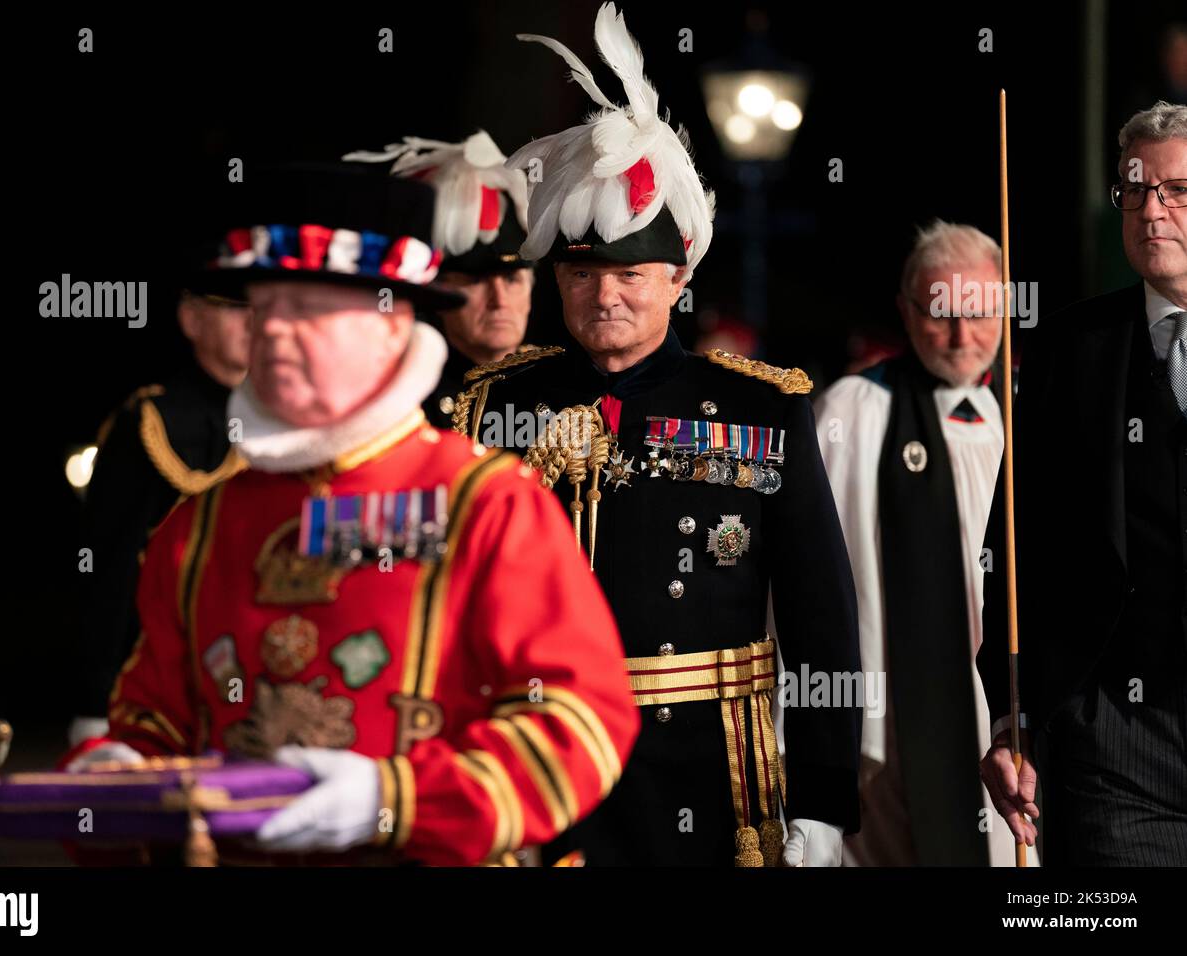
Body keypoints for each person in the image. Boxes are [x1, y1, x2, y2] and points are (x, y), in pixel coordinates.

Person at [65, 163, 639, 867]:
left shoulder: (490, 503)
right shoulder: (201, 523)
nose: (273, 333)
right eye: (262, 308)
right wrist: (118, 767)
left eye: (306, 310)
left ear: (393, 324)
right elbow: (157, 719)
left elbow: (582, 720)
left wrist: (392, 798)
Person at [455, 3, 861, 866]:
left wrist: (823, 797)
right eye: (582, 275)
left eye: (632, 276)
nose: (606, 298)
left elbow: (821, 616)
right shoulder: (491, 408)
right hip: (536, 761)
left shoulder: (761, 409)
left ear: (678, 278)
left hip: (705, 771)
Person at [979, 100, 1187, 865]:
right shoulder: (1072, 348)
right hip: (1115, 754)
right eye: (1134, 190)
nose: (1151, 209)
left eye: (1176, 191)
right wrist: (1014, 718)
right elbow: (1016, 544)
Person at [815, 220, 1029, 866]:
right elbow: (818, 568)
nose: (964, 337)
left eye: (979, 313)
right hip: (891, 703)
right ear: (907, 312)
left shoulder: (1029, 409)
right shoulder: (854, 409)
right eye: (941, 316)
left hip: (1004, 702)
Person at [70, 280, 251, 746]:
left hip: (256, 672)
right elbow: (109, 565)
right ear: (192, 319)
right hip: (165, 673)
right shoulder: (152, 419)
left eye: (261, 306)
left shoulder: (286, 414)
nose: (253, 320)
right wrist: (95, 700)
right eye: (234, 306)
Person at [344, 131, 535, 428]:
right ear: (438, 292)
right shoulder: (400, 395)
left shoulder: (564, 391)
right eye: (475, 280)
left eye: (512, 279)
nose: (499, 301)